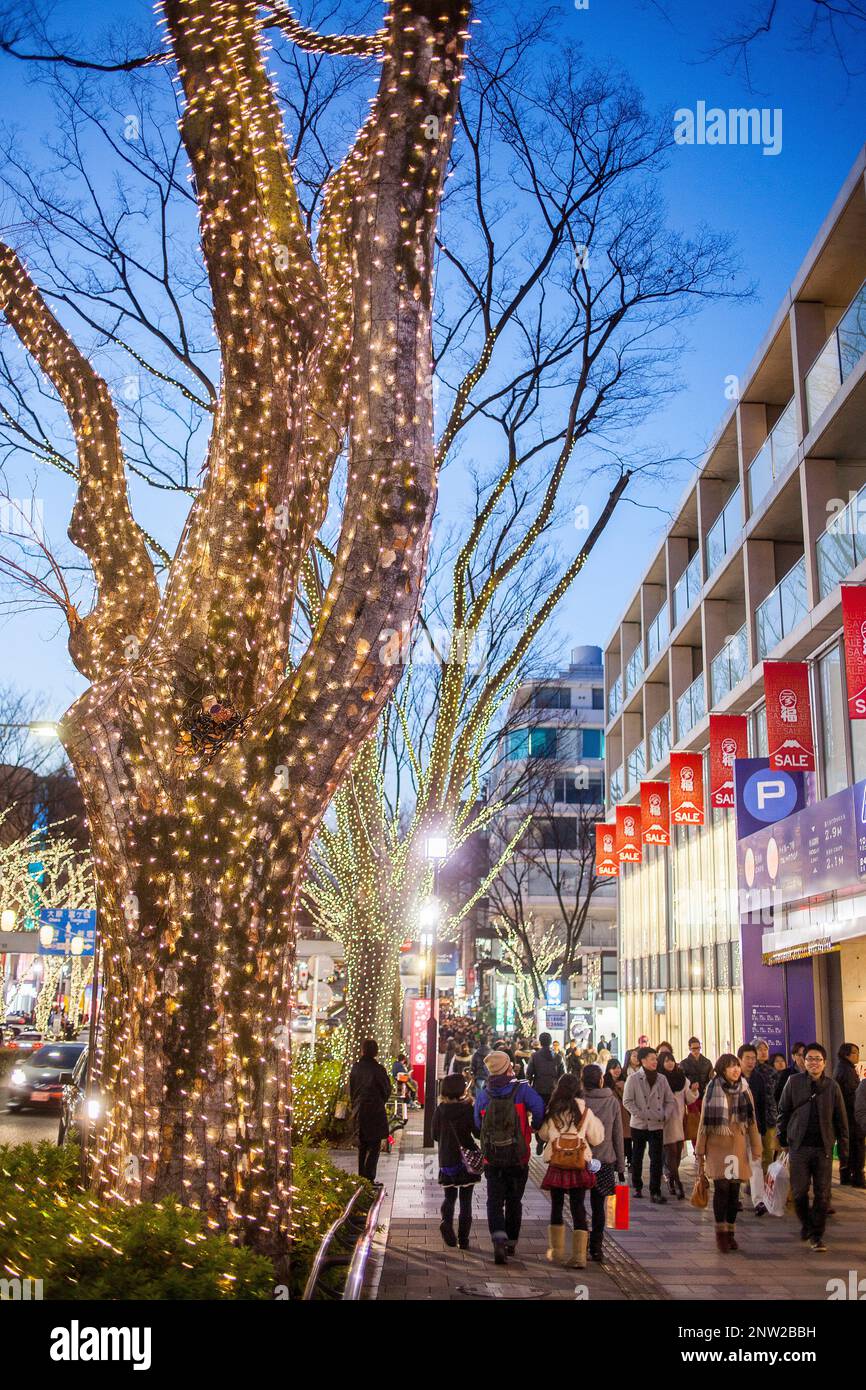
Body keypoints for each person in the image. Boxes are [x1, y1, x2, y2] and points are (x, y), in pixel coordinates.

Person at [474, 1050, 545, 1264]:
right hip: (518, 1157)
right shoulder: (522, 1090)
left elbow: (477, 1123)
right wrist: (534, 1126)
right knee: (514, 1200)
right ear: (507, 1068)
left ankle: (498, 1238)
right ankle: (511, 1242)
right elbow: (539, 1107)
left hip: (492, 1158)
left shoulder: (484, 1094)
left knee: (494, 1201)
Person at [778, 1042, 849, 1252]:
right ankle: (807, 1224)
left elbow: (841, 1120)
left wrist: (844, 1151)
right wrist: (783, 1138)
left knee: (823, 1194)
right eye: (809, 1058)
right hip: (799, 1146)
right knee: (799, 1192)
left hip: (823, 1148)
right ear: (803, 1061)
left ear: (825, 1063)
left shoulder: (832, 1087)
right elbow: (783, 1110)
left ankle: (816, 1235)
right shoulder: (793, 1082)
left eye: (818, 1059)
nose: (813, 1063)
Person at [695, 1054, 761, 1253]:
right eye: (731, 1066)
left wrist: (756, 1147)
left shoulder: (745, 1089)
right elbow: (704, 1122)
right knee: (722, 1188)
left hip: (737, 1148)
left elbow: (752, 1122)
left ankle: (731, 1231)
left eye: (737, 1066)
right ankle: (721, 1233)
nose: (736, 1070)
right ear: (722, 1069)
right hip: (717, 1147)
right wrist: (700, 1151)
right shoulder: (712, 1089)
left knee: (734, 1192)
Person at [538, 1073, 604, 1269]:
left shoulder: (553, 1110)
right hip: (578, 1164)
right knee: (578, 1207)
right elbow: (597, 1138)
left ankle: (556, 1251)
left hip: (558, 1163)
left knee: (556, 1206)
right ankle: (579, 1256)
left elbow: (543, 1135)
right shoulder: (585, 1111)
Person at [433, 1072, 482, 1248]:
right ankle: (464, 1240)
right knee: (466, 1201)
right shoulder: (468, 1108)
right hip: (466, 1159)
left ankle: (446, 1222)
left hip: (447, 1158)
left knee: (449, 1197)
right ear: (462, 1089)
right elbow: (477, 1133)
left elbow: (434, 1135)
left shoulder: (440, 1110)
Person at [583, 1063, 625, 1261]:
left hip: (580, 1160)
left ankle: (581, 1242)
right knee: (598, 1204)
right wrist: (621, 1165)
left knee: (577, 1202)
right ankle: (596, 1247)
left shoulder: (578, 1100)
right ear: (601, 1080)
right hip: (604, 1159)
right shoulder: (612, 1101)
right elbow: (618, 1134)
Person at [622, 1046, 675, 1202]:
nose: (655, 1062)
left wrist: (665, 1114)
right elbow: (627, 1101)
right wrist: (640, 1113)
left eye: (655, 1059)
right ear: (643, 1060)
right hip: (639, 1124)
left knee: (657, 1158)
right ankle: (637, 1186)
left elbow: (669, 1100)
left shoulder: (661, 1079)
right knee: (637, 1156)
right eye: (652, 1059)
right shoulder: (633, 1079)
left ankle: (655, 1191)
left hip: (657, 1123)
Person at [737, 1042, 775, 1208]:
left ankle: (758, 1200)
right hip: (736, 1128)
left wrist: (762, 1127)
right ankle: (734, 1199)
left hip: (754, 1127)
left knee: (756, 1162)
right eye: (747, 1058)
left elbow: (761, 1104)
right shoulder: (733, 1077)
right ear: (739, 1059)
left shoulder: (758, 1078)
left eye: (753, 1058)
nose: (751, 1061)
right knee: (735, 1162)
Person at [349, 1039, 391, 1183]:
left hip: (359, 1109)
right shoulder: (379, 1070)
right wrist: (379, 1100)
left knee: (362, 1145)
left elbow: (352, 1089)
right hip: (375, 1111)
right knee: (374, 1145)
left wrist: (355, 1103)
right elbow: (386, 1090)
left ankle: (362, 1176)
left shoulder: (356, 1068)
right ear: (376, 1052)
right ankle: (369, 1176)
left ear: (363, 1050)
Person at [660, 1052, 698, 1199]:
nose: (670, 1063)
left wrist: (693, 1091)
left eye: (671, 1060)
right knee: (671, 1152)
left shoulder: (682, 1078)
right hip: (665, 1120)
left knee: (677, 1154)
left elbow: (688, 1098)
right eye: (666, 1061)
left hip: (679, 1120)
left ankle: (672, 1179)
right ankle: (677, 1183)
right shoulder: (659, 1079)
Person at [527, 1032, 564, 1153]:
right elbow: (563, 1075)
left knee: (539, 1114)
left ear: (541, 1042)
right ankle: (548, 1141)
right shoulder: (558, 1057)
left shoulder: (535, 1056)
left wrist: (529, 1086)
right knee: (552, 1116)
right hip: (554, 1091)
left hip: (539, 1090)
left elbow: (529, 1073)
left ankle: (539, 1139)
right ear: (550, 1041)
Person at [834, 1044, 865, 1188]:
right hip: (851, 1117)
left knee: (847, 1147)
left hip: (845, 1116)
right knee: (856, 1147)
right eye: (855, 1053)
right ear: (846, 1054)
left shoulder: (842, 1068)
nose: (857, 1056)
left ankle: (846, 1177)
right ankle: (858, 1178)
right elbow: (853, 1096)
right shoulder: (847, 1071)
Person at [754, 1040, 780, 1169]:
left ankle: (766, 1177)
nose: (763, 1052)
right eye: (760, 1049)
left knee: (769, 1152)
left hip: (770, 1117)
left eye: (765, 1049)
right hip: (754, 1117)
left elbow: (776, 1094)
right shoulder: (751, 1071)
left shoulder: (772, 1071)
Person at [604, 1058, 631, 1170]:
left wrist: (624, 1088)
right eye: (614, 1068)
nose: (617, 1070)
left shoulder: (626, 1081)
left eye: (618, 1067)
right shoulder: (605, 1082)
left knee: (627, 1139)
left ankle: (628, 1162)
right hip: (611, 1115)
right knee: (614, 1139)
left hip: (625, 1114)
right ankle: (617, 1163)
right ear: (608, 1070)